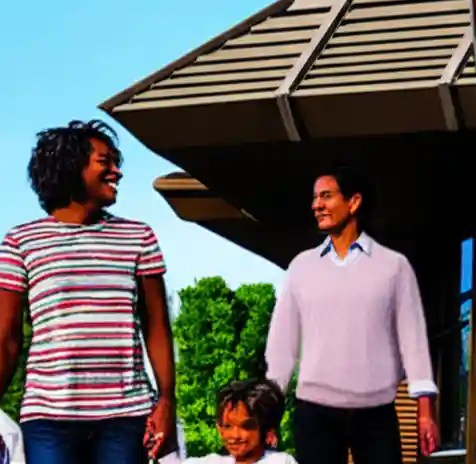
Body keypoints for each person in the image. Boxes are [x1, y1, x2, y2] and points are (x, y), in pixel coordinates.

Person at [0, 119, 177, 464]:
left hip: (126, 415)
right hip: (49, 418)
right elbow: (5, 339)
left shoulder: (138, 237)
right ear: (71, 168)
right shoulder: (20, 242)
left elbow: (156, 325)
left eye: (116, 163)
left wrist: (166, 400)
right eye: (105, 162)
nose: (117, 172)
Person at [264, 166, 439, 464]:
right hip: (315, 413)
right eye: (315, 197)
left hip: (376, 415)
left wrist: (425, 412)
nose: (316, 205)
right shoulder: (301, 267)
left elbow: (414, 341)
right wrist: (267, 410)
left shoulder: (394, 266)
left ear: (353, 202)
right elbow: (282, 347)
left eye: (326, 196)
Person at [160, 378, 294, 464]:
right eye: (227, 426)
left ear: (268, 430)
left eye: (246, 427)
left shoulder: (280, 461)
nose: (235, 435)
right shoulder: (212, 462)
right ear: (219, 427)